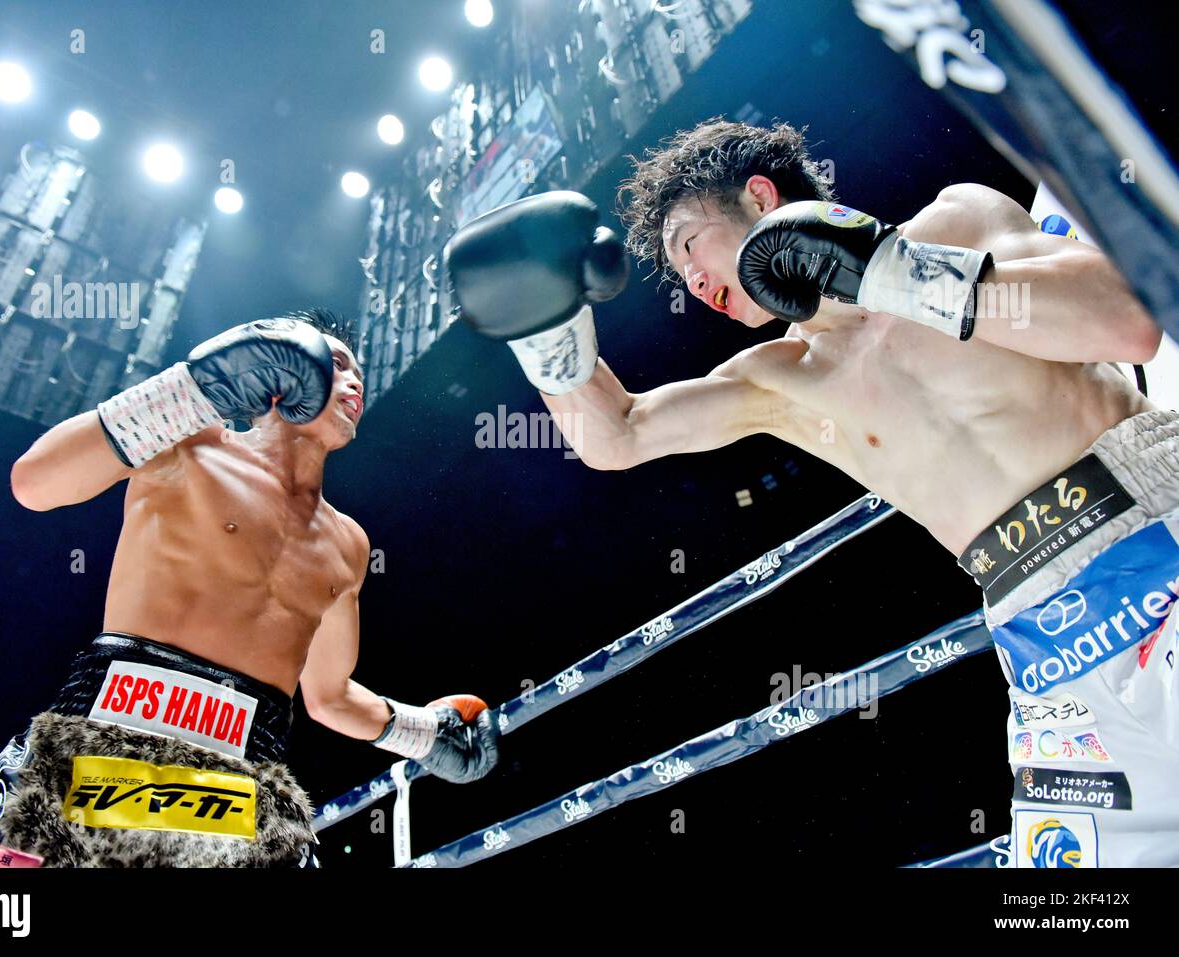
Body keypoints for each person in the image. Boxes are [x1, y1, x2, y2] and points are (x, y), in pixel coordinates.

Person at [445, 119, 1177, 868]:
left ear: (759, 195)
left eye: (689, 245)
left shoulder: (957, 220)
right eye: (680, 276)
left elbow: (1130, 321)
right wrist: (545, 327)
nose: (694, 284)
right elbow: (617, 434)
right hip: (1046, 651)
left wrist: (890, 270)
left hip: (1158, 535)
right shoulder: (779, 378)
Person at [0, 309, 499, 868]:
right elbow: (35, 483)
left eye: (359, 374)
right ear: (282, 368)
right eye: (337, 363)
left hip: (238, 787)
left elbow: (329, 696)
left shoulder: (347, 542)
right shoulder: (188, 448)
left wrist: (426, 734)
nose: (353, 383)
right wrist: (196, 389)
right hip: (105, 745)